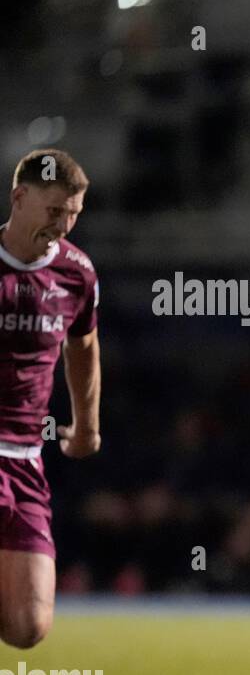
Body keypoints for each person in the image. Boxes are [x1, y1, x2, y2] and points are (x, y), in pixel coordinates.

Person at [0, 149, 102, 648]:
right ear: (19, 198)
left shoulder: (76, 274)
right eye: (54, 211)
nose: (64, 225)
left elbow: (83, 347)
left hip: (25, 458)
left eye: (73, 214)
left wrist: (86, 426)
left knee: (28, 626)